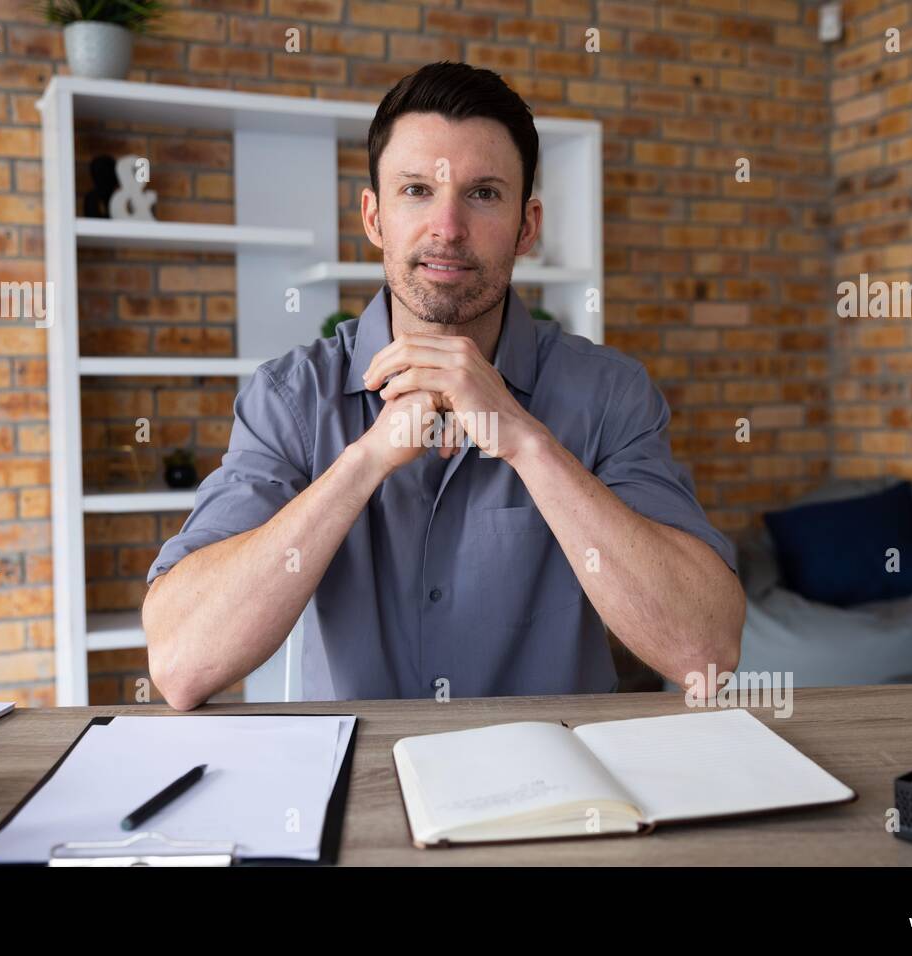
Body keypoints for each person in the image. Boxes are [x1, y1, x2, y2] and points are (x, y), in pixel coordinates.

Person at [143, 61, 745, 708]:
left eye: (483, 193)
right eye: (416, 191)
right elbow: (181, 664)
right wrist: (365, 460)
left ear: (527, 225)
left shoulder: (610, 394)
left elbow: (706, 653)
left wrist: (526, 441)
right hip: (358, 787)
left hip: (558, 790)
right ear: (374, 218)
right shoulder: (290, 399)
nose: (448, 228)